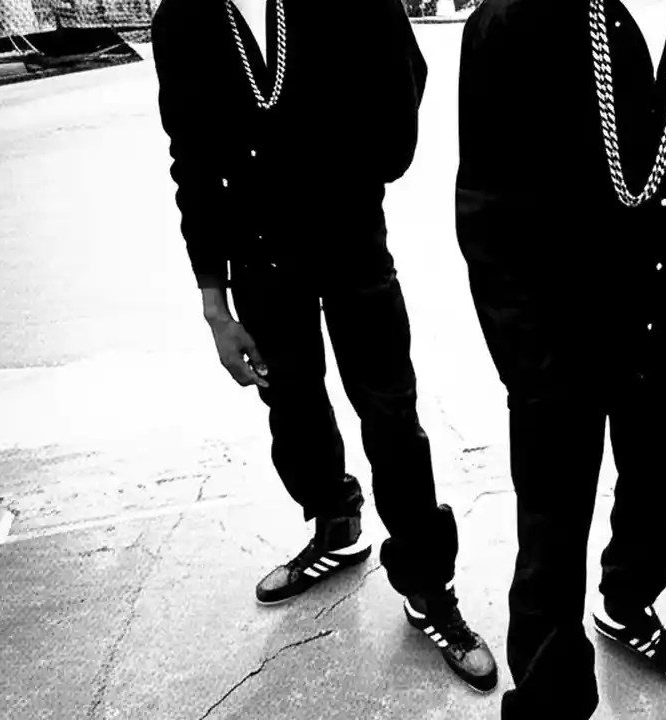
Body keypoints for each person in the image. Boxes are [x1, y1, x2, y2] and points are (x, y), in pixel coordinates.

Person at [150, 0, 497, 692]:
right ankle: (337, 525)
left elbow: (403, 90)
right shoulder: (184, 17)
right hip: (258, 260)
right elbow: (191, 162)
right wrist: (215, 305)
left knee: (391, 415)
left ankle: (427, 589)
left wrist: (347, 165)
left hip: (350, 244)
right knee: (291, 405)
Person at [455, 0, 666, 716]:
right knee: (550, 546)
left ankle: (628, 604)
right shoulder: (513, 21)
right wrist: (527, 359)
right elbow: (486, 204)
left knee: (654, 495)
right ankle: (550, 702)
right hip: (559, 340)